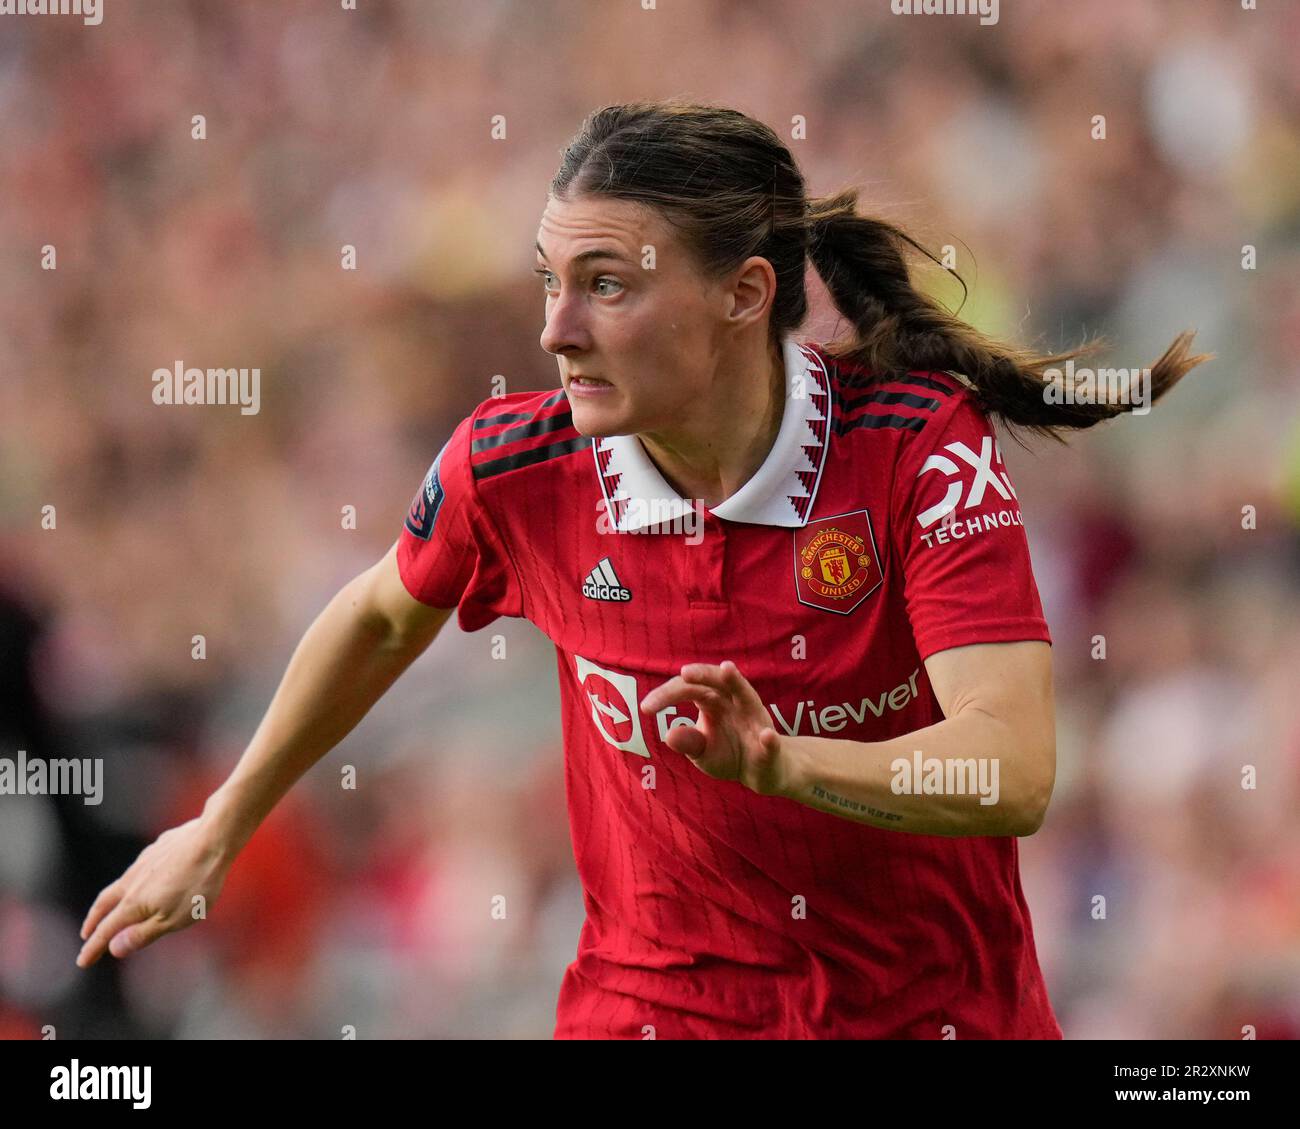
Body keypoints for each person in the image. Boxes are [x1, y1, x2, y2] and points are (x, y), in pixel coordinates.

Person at [76, 99, 1211, 1039]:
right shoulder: (516, 466)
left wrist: (784, 762)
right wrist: (221, 824)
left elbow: (1008, 768)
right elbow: (381, 616)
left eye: (607, 284)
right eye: (547, 281)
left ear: (745, 294)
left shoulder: (917, 448)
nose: (556, 330)